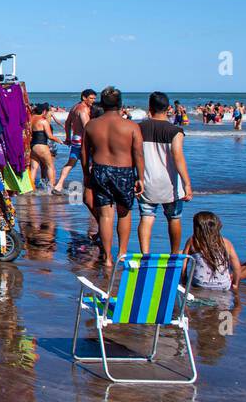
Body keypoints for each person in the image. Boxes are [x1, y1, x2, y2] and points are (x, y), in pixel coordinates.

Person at [82, 86, 144, 268]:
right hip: (124, 171)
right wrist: (140, 177)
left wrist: (86, 174)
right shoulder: (131, 126)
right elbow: (138, 154)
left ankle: (108, 258)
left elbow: (85, 154)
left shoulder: (92, 125)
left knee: (105, 216)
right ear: (120, 104)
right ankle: (122, 254)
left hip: (100, 170)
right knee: (124, 213)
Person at [136, 91, 192, 254]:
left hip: (146, 180)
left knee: (146, 217)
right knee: (174, 218)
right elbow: (178, 157)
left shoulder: (139, 128)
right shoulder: (175, 130)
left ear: (149, 108)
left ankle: (145, 254)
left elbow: (135, 154)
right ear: (168, 108)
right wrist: (187, 183)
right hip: (170, 182)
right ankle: (174, 254)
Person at [53, 89, 96, 193]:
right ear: (84, 98)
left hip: (75, 139)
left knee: (71, 162)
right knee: (91, 163)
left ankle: (58, 185)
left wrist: (68, 137)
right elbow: (87, 127)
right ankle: (90, 187)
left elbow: (67, 123)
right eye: (91, 98)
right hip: (83, 140)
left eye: (94, 98)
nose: (93, 101)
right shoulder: (84, 110)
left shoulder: (74, 108)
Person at [27, 103, 63, 192]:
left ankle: (31, 188)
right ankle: (52, 188)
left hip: (33, 146)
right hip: (42, 145)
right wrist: (60, 141)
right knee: (50, 166)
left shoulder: (31, 120)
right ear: (43, 111)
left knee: (33, 168)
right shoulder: (43, 121)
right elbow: (50, 136)